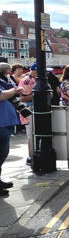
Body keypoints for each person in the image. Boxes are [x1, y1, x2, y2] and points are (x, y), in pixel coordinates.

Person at [0, 63, 22, 196]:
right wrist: (14, 90)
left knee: (3, 153)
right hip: (1, 124)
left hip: (4, 123)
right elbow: (1, 96)